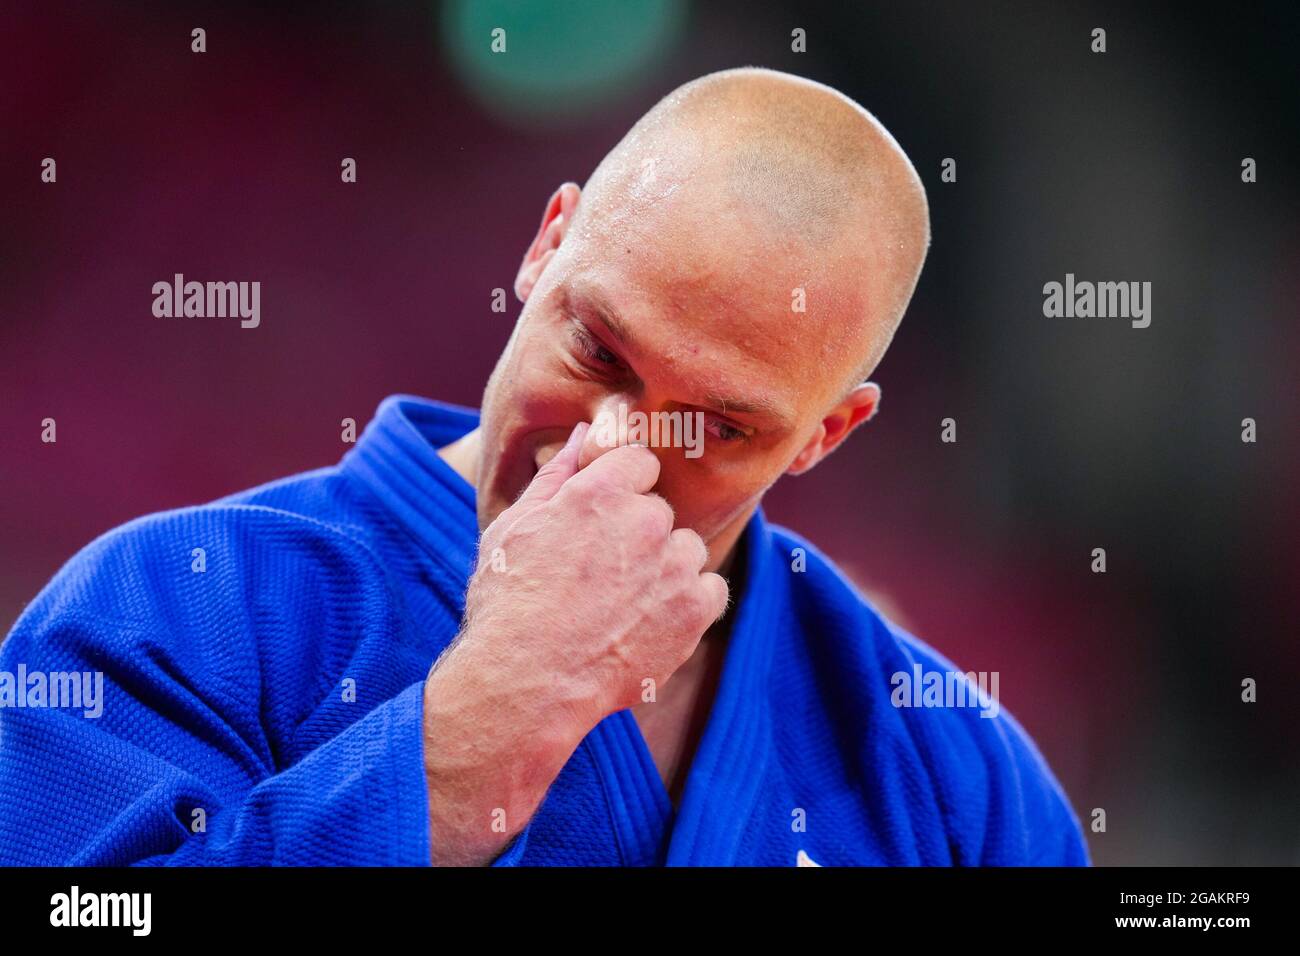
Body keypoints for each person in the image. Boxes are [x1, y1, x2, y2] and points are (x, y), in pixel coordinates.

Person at [0, 66, 1089, 866]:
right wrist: (473, 739)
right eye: (599, 351)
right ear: (546, 244)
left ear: (824, 433)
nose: (614, 442)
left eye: (718, 425)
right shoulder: (177, 613)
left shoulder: (952, 773)